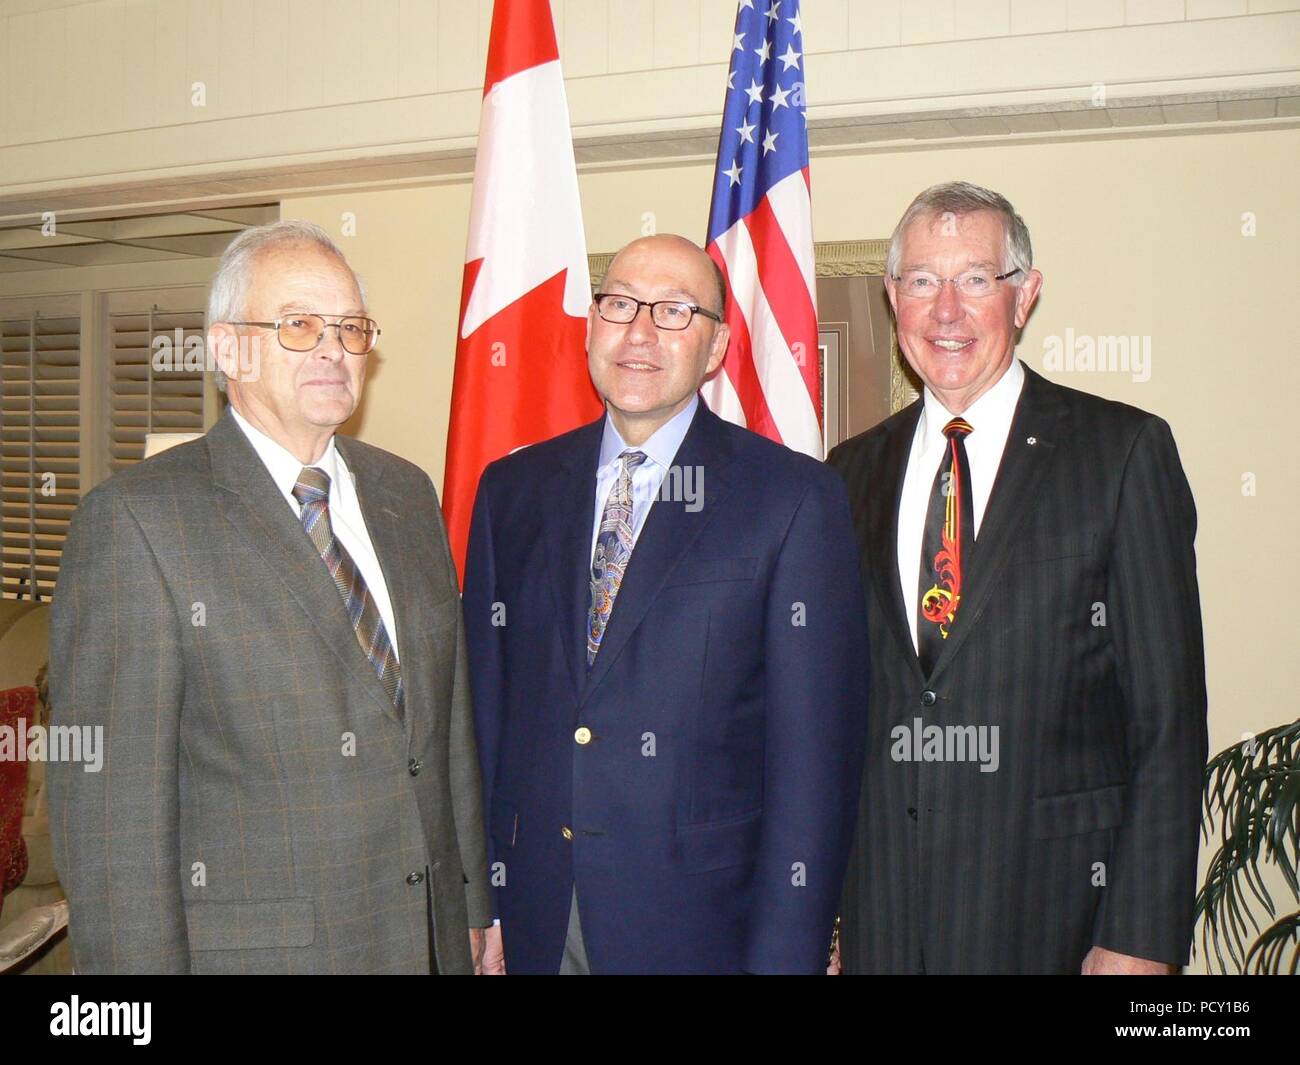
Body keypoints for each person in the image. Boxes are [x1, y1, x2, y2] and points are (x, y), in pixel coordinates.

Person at [47, 220, 490, 974]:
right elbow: (113, 819)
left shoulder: (406, 492)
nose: (333, 348)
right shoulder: (138, 520)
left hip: (428, 938)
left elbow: (445, 728)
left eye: (351, 326)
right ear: (227, 348)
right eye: (299, 324)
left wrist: (471, 907)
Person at [828, 182, 1208, 974]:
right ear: (893, 296)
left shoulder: (1121, 453)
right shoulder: (848, 473)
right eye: (923, 281)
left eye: (976, 279)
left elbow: (1167, 721)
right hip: (884, 919)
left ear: (1025, 295)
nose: (947, 311)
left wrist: (1139, 937)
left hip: (1056, 919)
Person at [464, 234, 868, 974]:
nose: (640, 332)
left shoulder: (791, 499)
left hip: (704, 925)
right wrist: (480, 903)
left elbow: (814, 759)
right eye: (619, 304)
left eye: (676, 311)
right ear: (591, 326)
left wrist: (791, 953)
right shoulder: (511, 492)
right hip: (534, 914)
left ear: (714, 347)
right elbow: (484, 716)